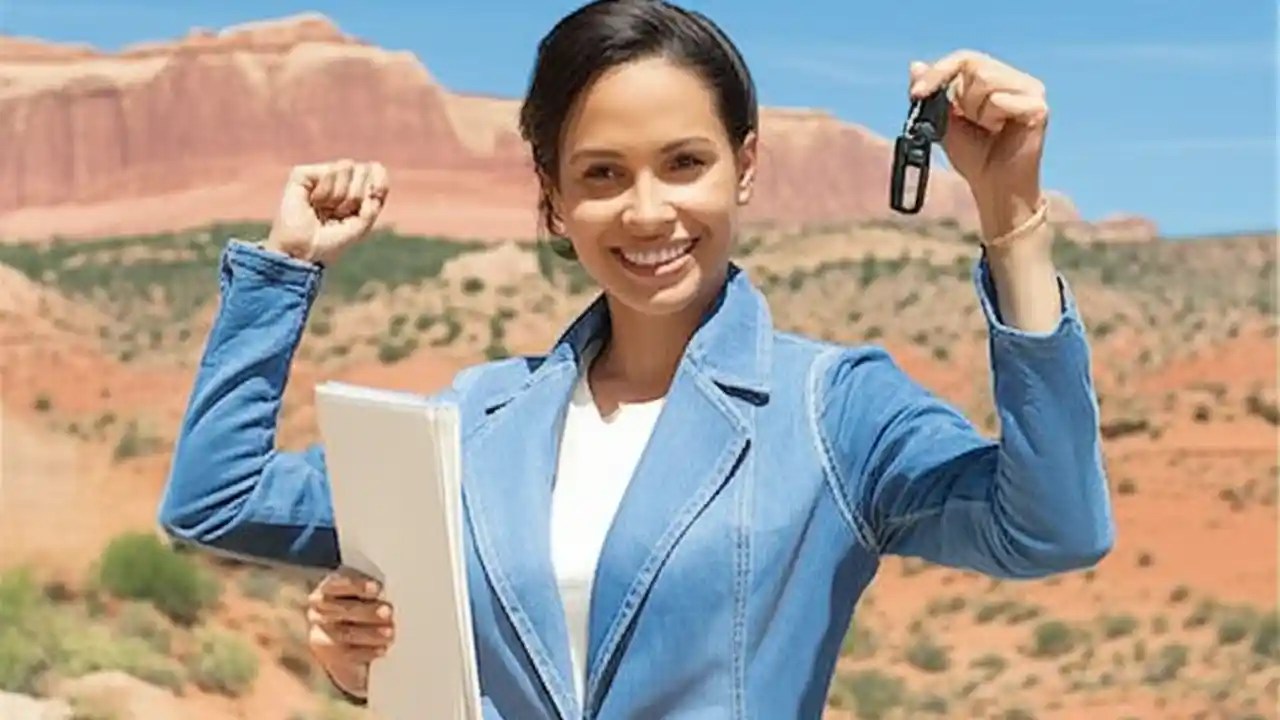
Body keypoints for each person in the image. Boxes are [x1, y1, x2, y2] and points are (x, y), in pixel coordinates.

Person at [155, 0, 1115, 717]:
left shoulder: (831, 411)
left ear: (745, 166)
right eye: (602, 175)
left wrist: (1012, 222)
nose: (647, 211)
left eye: (684, 163)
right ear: (554, 202)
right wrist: (284, 271)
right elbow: (215, 500)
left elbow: (1054, 528)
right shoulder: (474, 422)